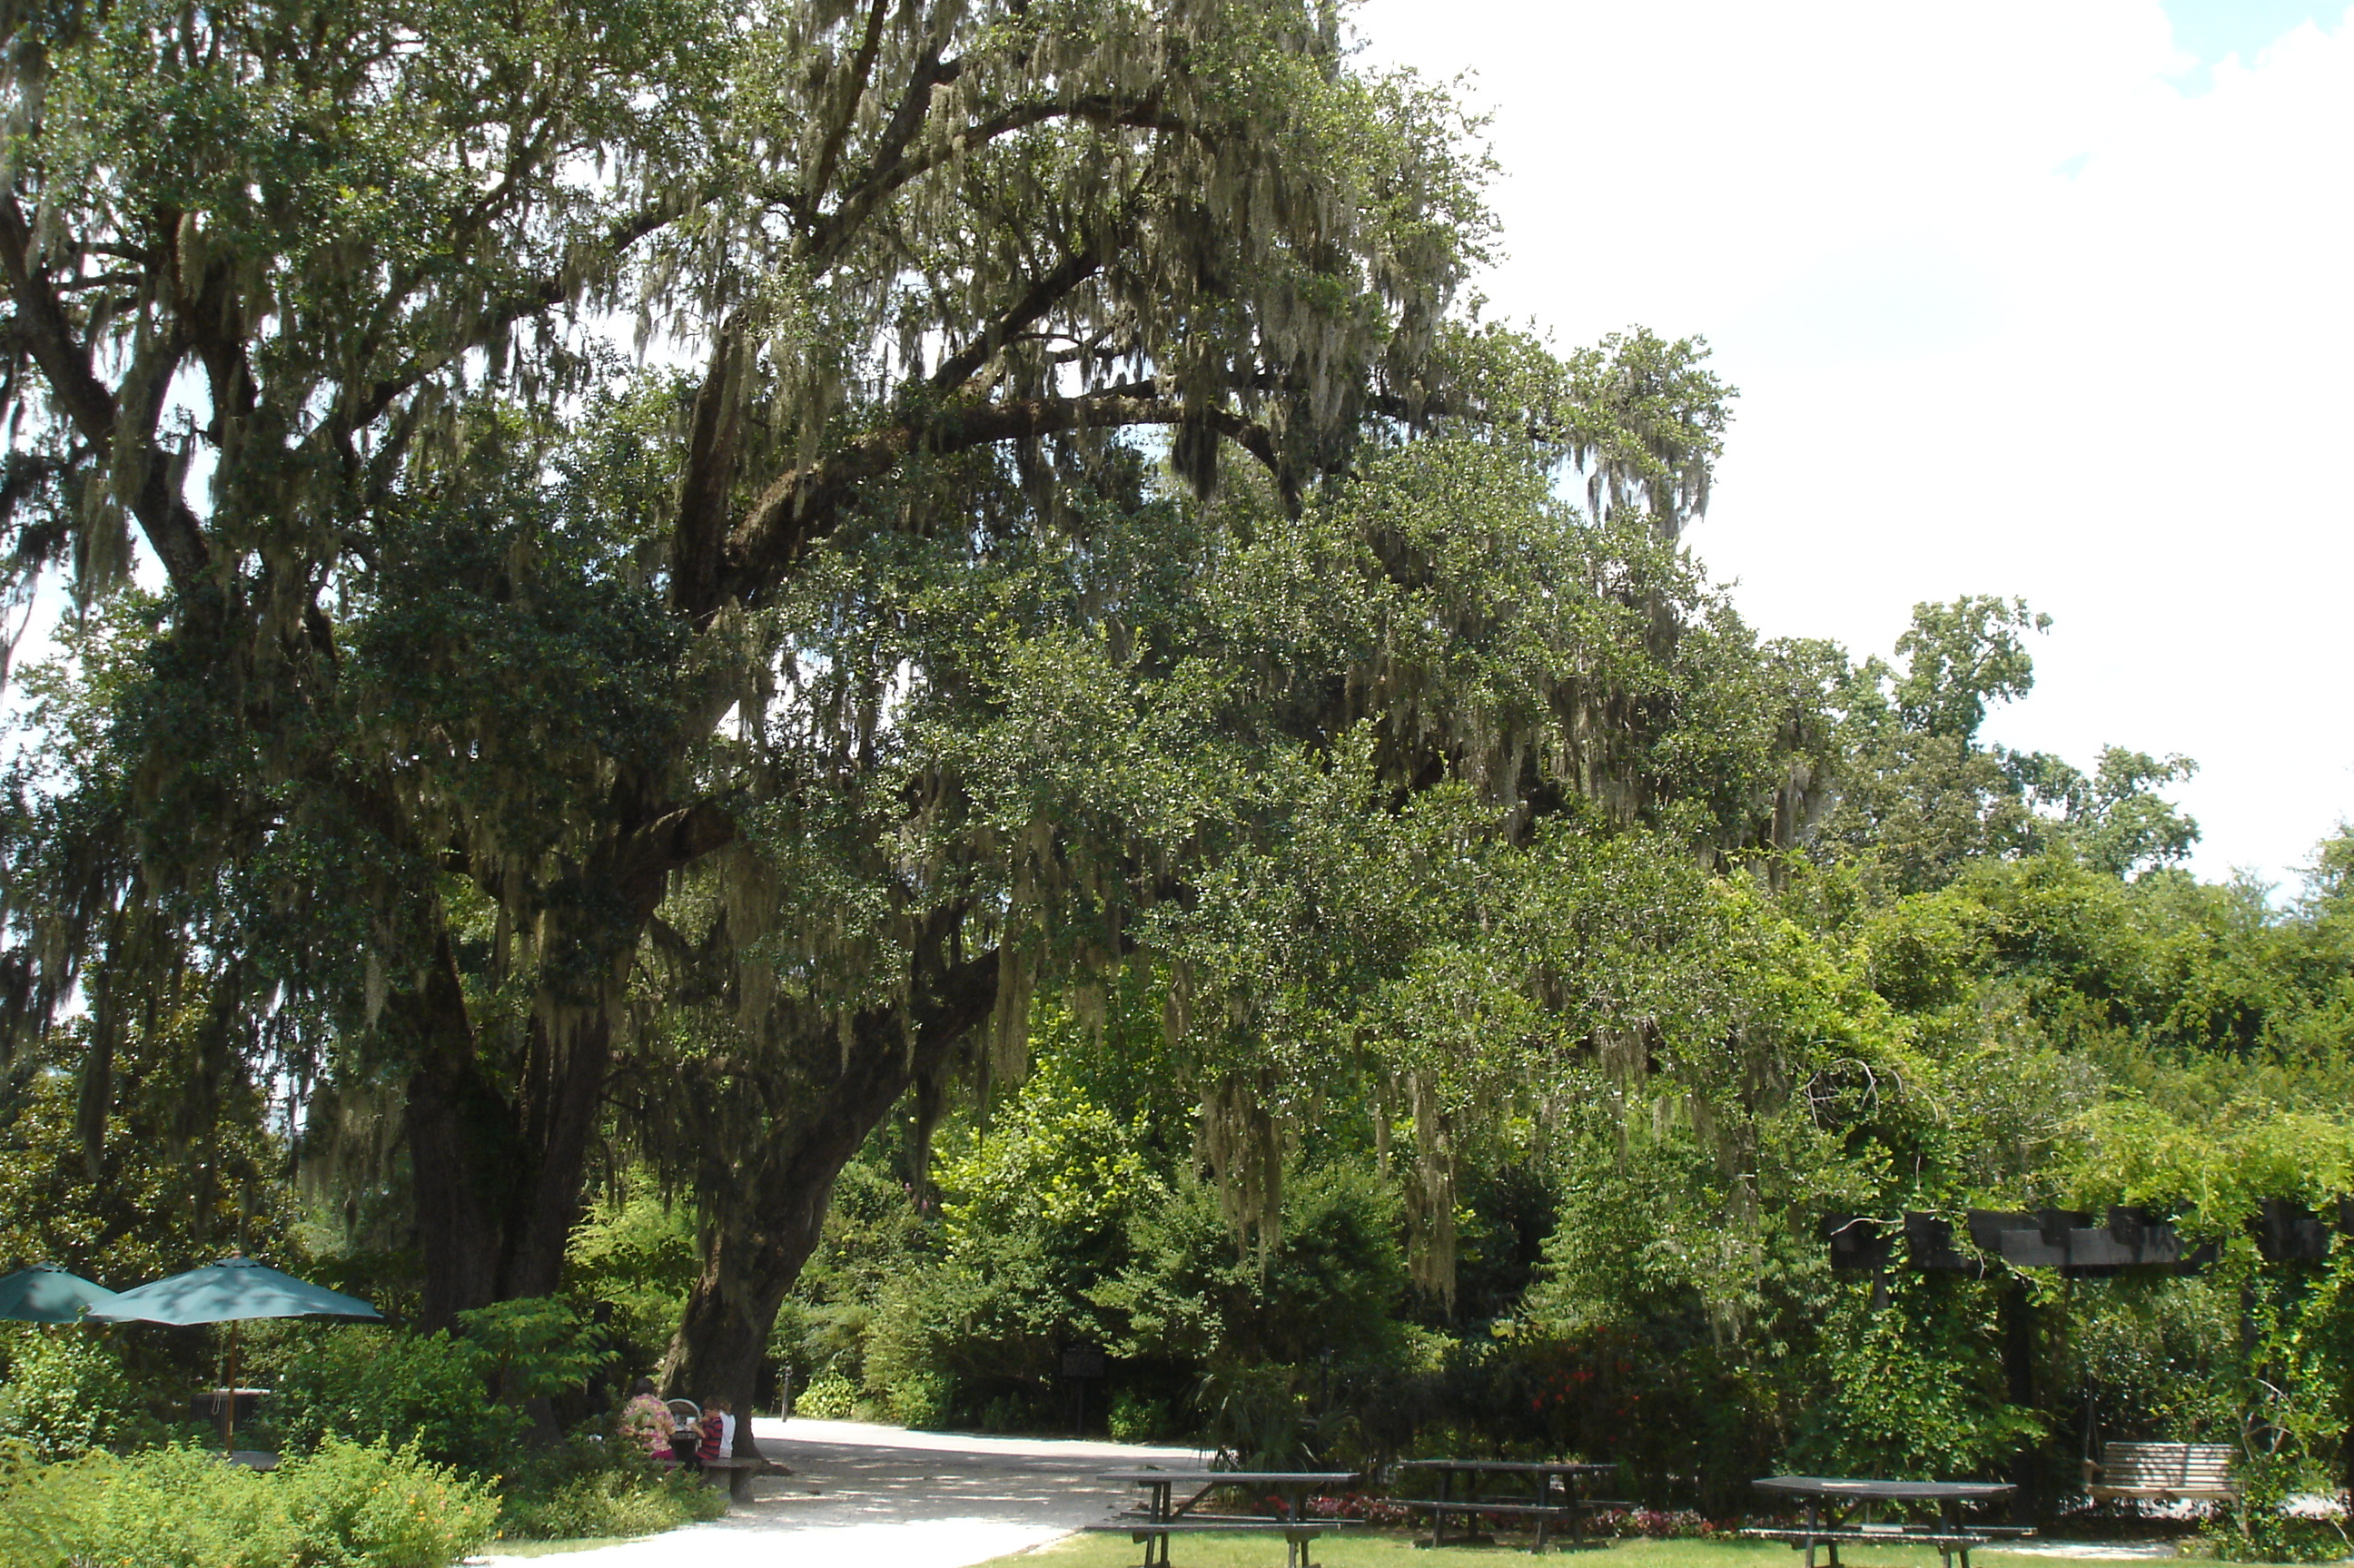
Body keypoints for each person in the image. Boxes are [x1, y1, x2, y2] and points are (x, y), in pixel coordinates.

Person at [616, 1377, 677, 1460]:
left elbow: (624, 1429)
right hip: (660, 1450)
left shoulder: (631, 1405)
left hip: (637, 1451)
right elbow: (671, 1430)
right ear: (653, 1390)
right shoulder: (661, 1405)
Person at [697, 1397, 728, 1464]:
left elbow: (705, 1435)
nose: (706, 1414)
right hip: (709, 1452)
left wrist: (695, 1427)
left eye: (707, 1412)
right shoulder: (713, 1421)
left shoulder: (715, 1423)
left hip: (709, 1453)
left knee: (691, 1461)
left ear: (714, 1411)